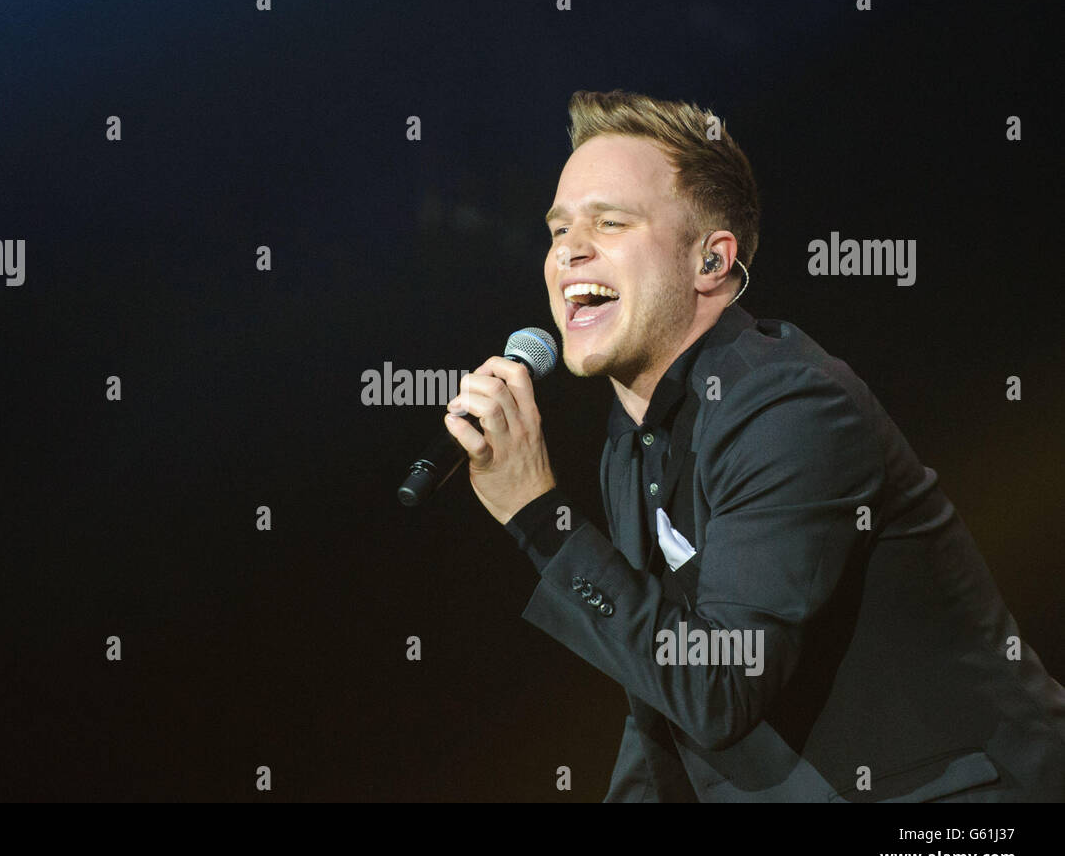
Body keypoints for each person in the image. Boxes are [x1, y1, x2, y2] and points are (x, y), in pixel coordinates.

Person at [443, 89, 1065, 802]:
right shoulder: (631, 444)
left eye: (610, 222)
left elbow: (719, 686)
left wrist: (537, 516)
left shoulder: (791, 405)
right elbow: (661, 709)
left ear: (712, 261)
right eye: (558, 231)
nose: (570, 250)